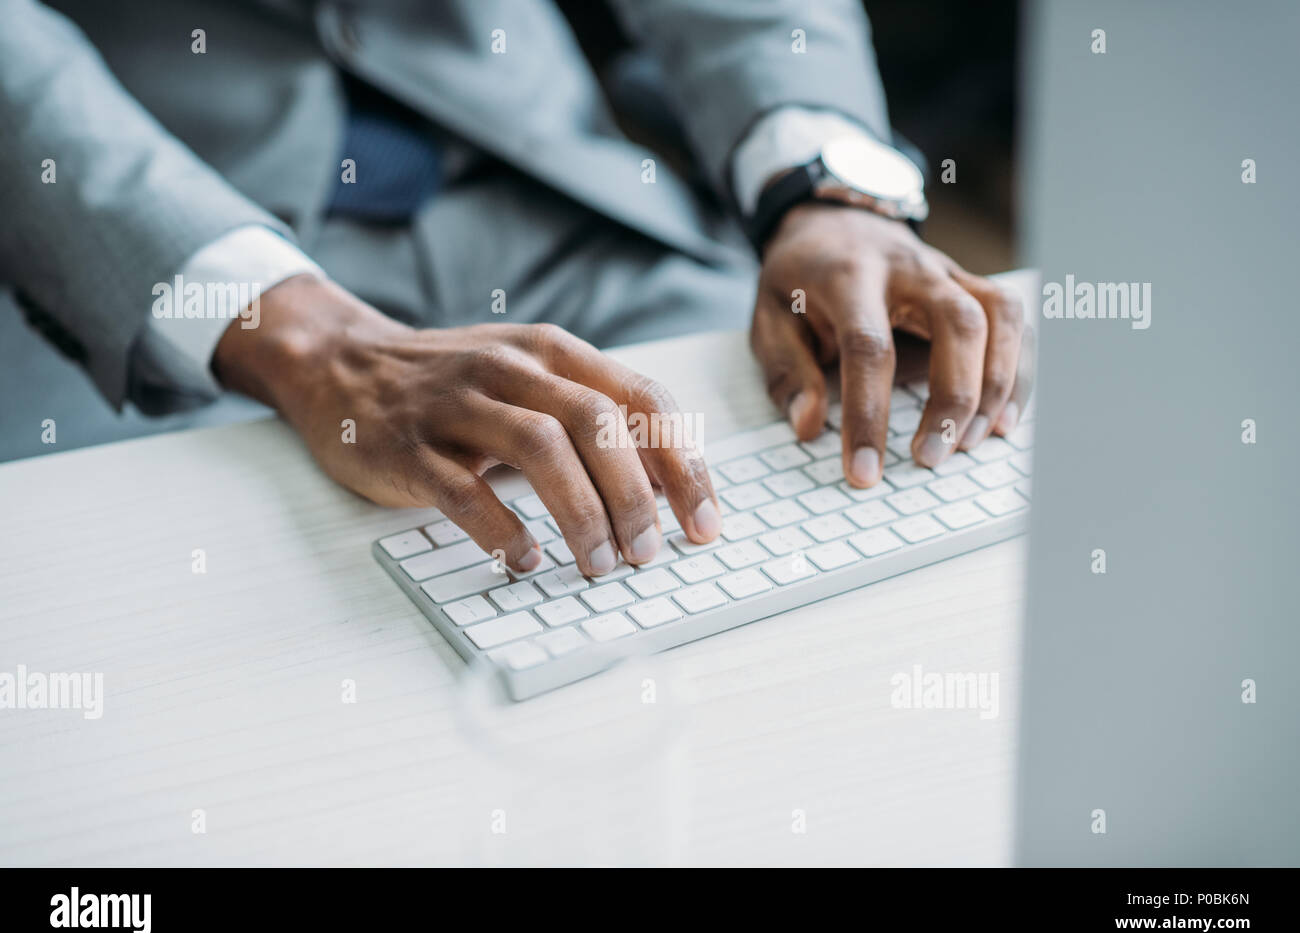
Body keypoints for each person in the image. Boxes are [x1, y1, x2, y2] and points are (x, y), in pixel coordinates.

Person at [0, 0, 1032, 578]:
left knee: (913, 516)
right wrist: (302, 337)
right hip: (141, 265)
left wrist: (824, 190)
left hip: (553, 200)